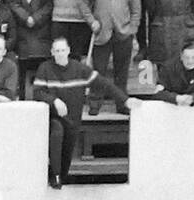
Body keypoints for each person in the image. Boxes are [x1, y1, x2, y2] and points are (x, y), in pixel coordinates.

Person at [33, 35, 138, 187]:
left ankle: (60, 176)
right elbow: (38, 92)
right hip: (53, 117)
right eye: (57, 50)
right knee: (57, 133)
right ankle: (55, 175)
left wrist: (125, 100)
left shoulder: (80, 69)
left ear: (68, 51)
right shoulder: (45, 68)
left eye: (63, 50)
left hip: (73, 120)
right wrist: (54, 101)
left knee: (67, 153)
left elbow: (105, 84)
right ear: (52, 52)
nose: (60, 53)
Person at [88, 0, 141, 114]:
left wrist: (133, 28)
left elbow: (136, 9)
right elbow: (83, 4)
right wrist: (91, 21)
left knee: (122, 72)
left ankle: (122, 104)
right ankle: (95, 104)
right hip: (101, 33)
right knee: (98, 71)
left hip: (124, 33)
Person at [145, 38, 194, 103]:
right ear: (181, 57)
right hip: (172, 108)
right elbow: (158, 93)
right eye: (187, 57)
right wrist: (176, 98)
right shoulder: (167, 68)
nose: (190, 61)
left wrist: (193, 98)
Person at [11, 0, 54, 96]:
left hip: (42, 36)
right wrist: (26, 18)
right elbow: (13, 4)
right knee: (22, 74)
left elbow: (49, 5)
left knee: (42, 72)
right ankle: (23, 98)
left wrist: (35, 18)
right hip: (22, 37)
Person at [145, 0, 194, 68]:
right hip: (185, 25)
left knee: (164, 66)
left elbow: (151, 7)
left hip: (162, 24)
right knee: (188, 64)